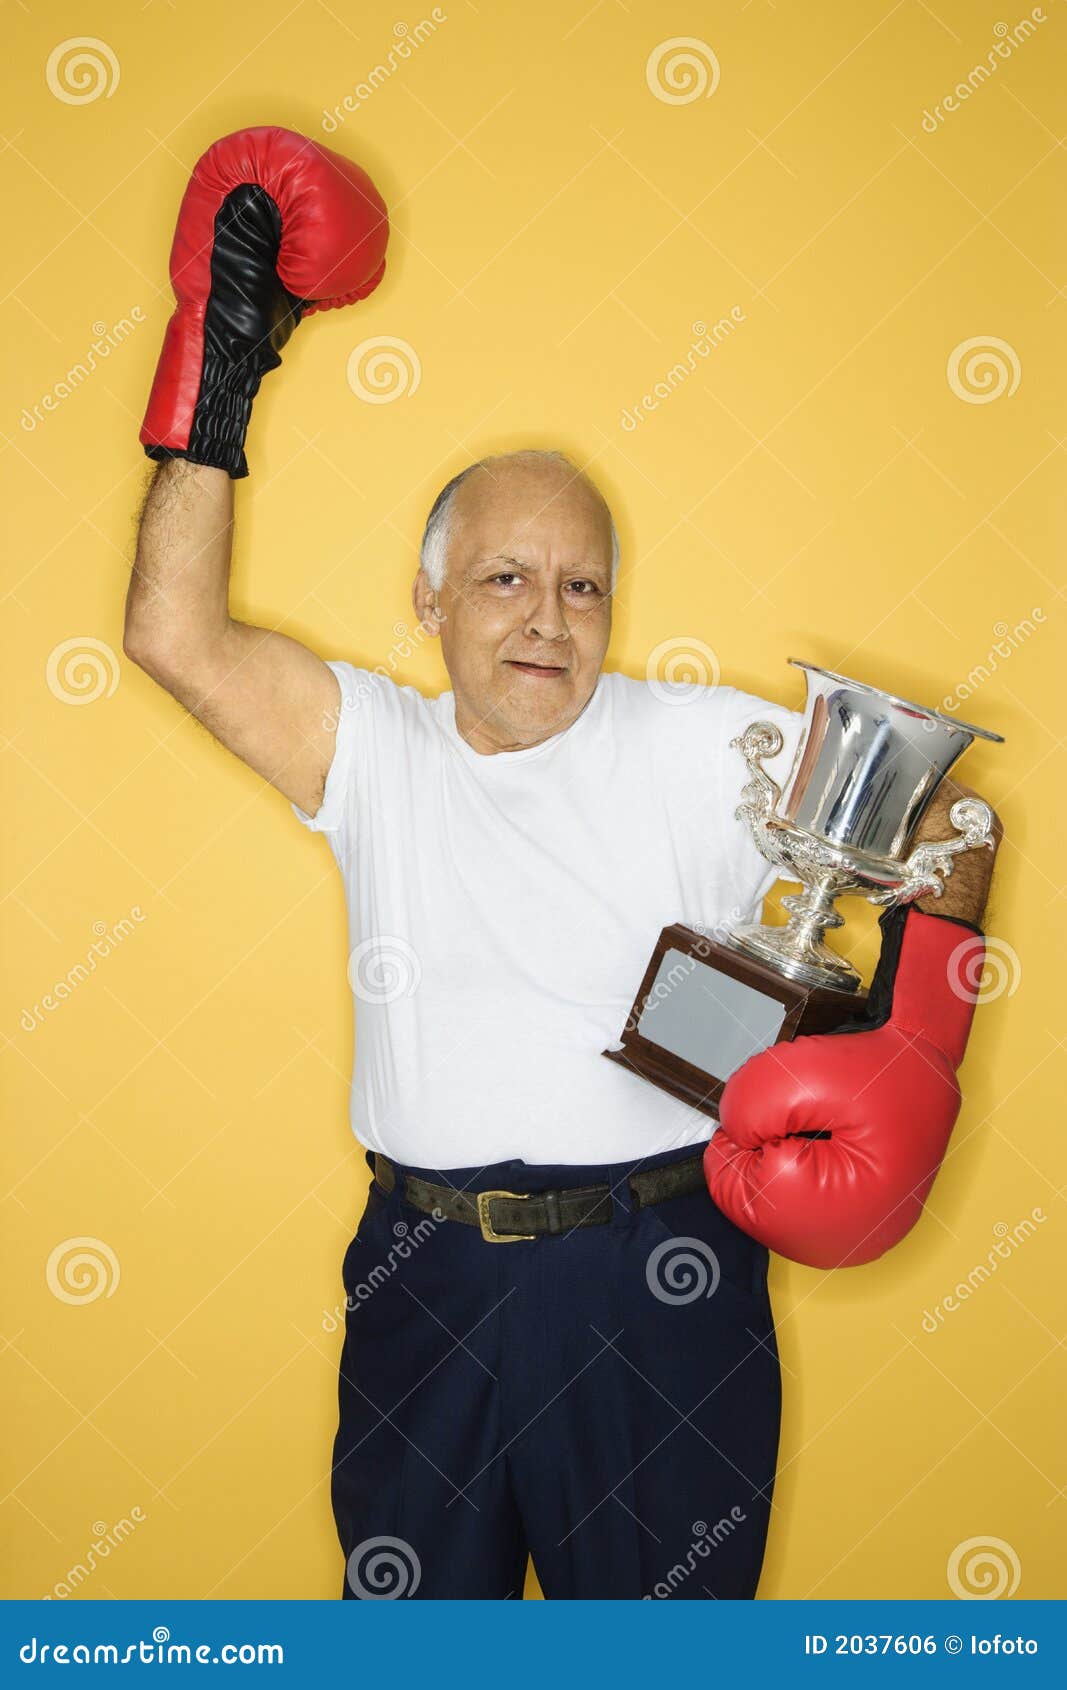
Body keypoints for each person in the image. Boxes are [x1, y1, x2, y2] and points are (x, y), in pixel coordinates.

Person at [126, 128, 1000, 1600]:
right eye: (506, 578)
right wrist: (219, 361)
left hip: (659, 1281)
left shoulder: (706, 740)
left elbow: (956, 826)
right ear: (428, 599)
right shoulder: (377, 749)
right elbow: (172, 635)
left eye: (583, 583)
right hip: (429, 1282)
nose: (549, 618)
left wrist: (922, 1036)